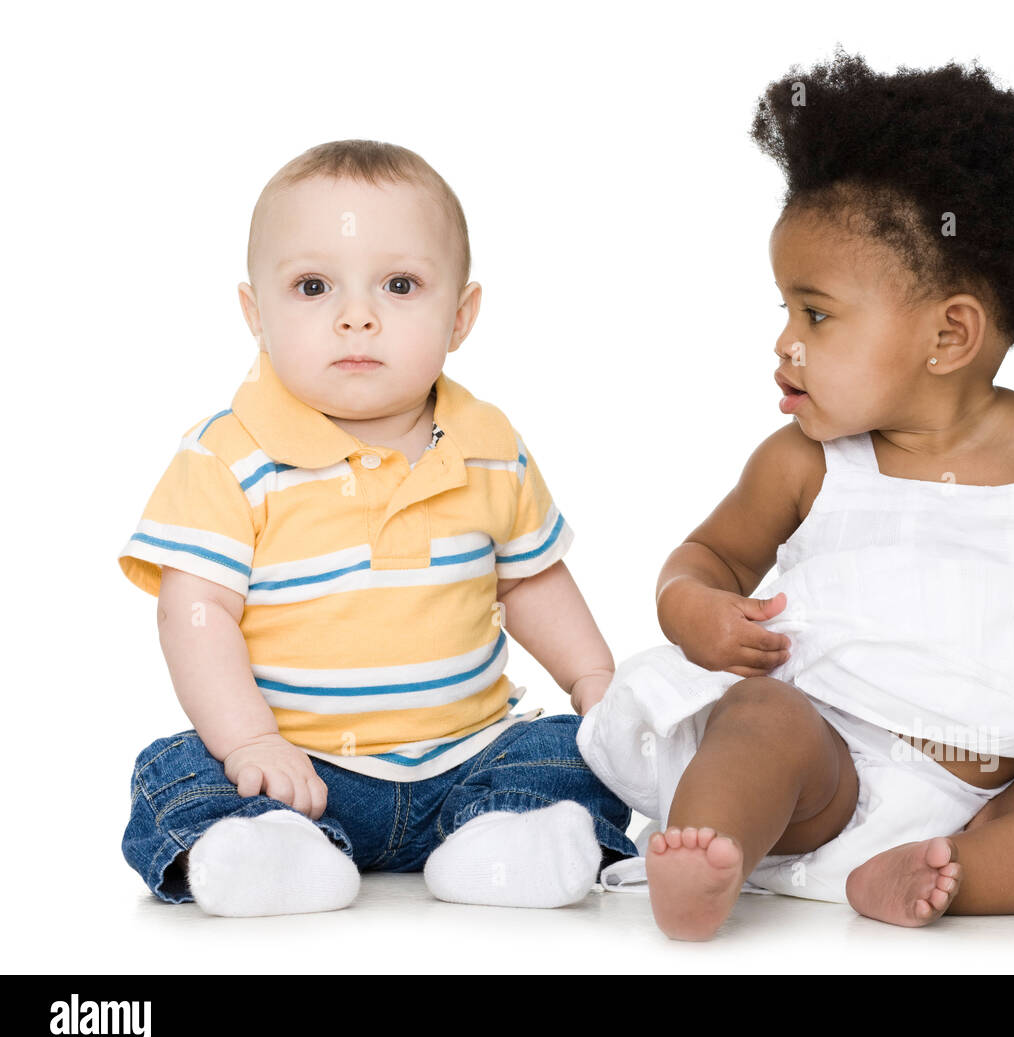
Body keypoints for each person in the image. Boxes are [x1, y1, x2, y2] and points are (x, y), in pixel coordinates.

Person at [576, 51, 1014, 941]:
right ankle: (707, 851)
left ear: (948, 335)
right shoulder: (809, 462)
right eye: (784, 313)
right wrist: (697, 611)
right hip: (834, 774)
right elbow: (708, 556)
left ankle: (959, 872)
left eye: (816, 315)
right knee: (759, 717)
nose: (783, 345)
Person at [119, 139, 637, 917]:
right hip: (298, 772)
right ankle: (272, 853)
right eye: (313, 286)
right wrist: (252, 743)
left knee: (569, 751)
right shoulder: (228, 456)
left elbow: (530, 578)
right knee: (177, 770)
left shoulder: (489, 445)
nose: (356, 316)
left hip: (468, 757)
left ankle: (503, 841)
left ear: (460, 316)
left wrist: (595, 682)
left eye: (399, 285)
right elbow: (195, 612)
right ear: (256, 314)